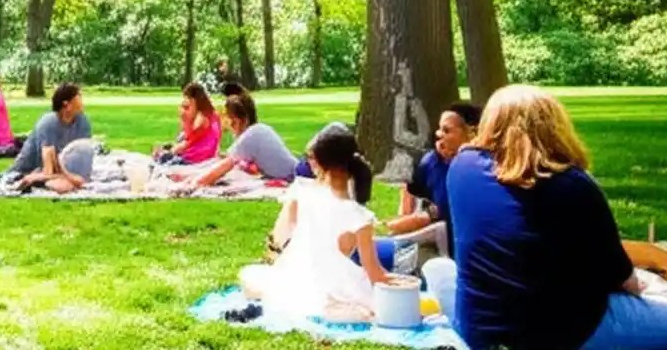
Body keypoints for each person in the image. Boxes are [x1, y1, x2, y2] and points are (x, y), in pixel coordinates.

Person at [443, 85, 667, 350]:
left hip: (480, 330)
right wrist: (664, 290)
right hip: (564, 333)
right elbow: (622, 278)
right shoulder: (572, 186)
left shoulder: (461, 169)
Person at [239, 130, 387, 322]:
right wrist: (399, 284)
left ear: (319, 162)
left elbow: (279, 237)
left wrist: (276, 254)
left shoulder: (302, 193)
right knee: (364, 305)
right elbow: (374, 272)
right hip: (336, 284)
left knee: (250, 276)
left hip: (295, 280)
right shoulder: (360, 216)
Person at [385, 102, 481, 255]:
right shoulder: (432, 161)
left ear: (471, 133)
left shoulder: (482, 167)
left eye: (446, 130)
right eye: (439, 128)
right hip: (440, 243)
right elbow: (413, 193)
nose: (438, 134)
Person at [192, 93, 299, 186]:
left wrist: (192, 184)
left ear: (238, 121)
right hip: (296, 172)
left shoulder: (250, 136)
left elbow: (222, 168)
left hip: (297, 177)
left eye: (229, 119)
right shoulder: (258, 130)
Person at [7, 83, 94, 194]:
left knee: (73, 183)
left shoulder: (83, 121)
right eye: (78, 97)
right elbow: (49, 169)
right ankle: (33, 179)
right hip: (33, 168)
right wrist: (72, 177)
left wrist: (75, 176)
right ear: (66, 104)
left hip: (61, 171)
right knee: (63, 185)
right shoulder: (49, 122)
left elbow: (84, 155)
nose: (82, 101)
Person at [156, 82, 222, 165]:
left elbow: (188, 140)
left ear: (193, 100)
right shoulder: (214, 114)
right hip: (206, 156)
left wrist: (185, 119)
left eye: (187, 99)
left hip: (194, 158)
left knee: (162, 157)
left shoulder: (201, 117)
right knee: (168, 147)